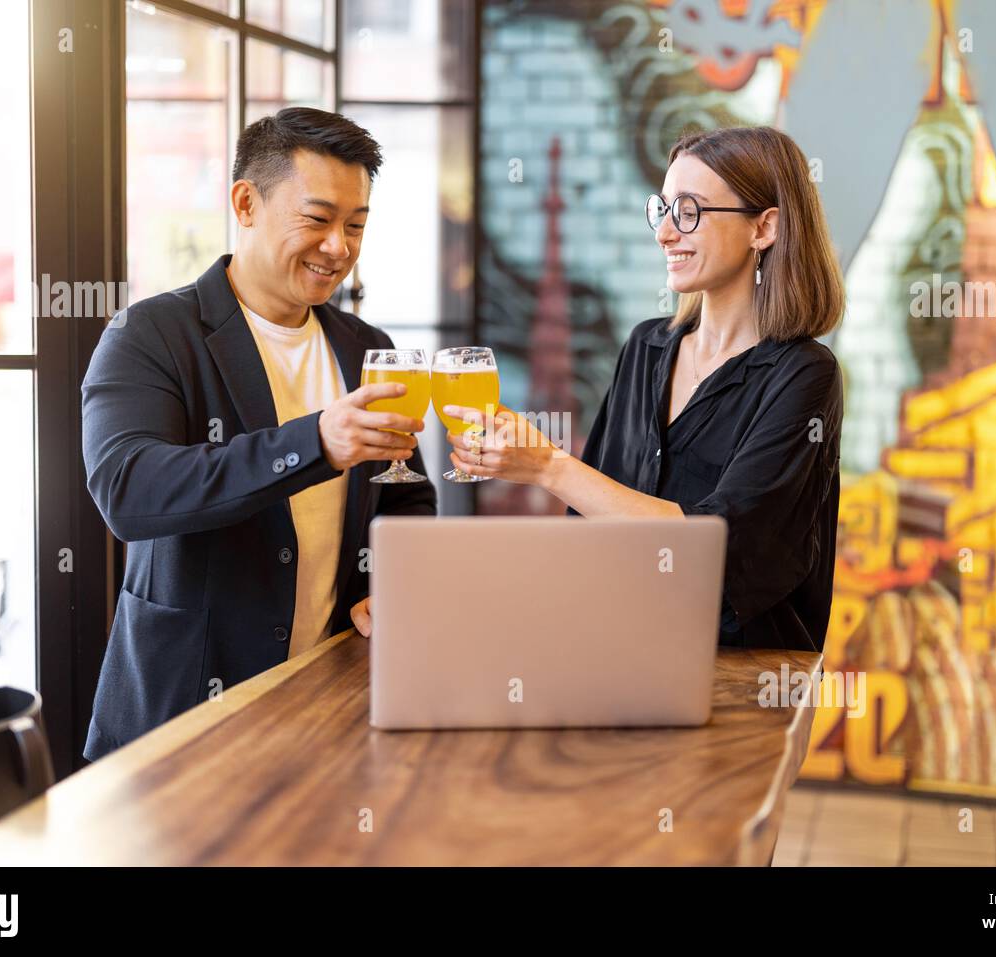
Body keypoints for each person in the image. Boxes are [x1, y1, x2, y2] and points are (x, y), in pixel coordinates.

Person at [80, 108, 435, 761]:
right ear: (245, 202)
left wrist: (387, 585)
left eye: (357, 225)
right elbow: (129, 491)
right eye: (318, 219)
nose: (340, 247)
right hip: (179, 721)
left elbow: (404, 490)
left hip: (324, 710)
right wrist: (316, 443)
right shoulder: (151, 335)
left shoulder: (368, 347)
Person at [443, 126, 844, 652]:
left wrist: (547, 465)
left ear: (764, 227)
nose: (665, 233)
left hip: (742, 684)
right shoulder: (647, 346)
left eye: (690, 211)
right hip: (618, 655)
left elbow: (717, 549)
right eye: (663, 210)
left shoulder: (804, 374)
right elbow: (590, 528)